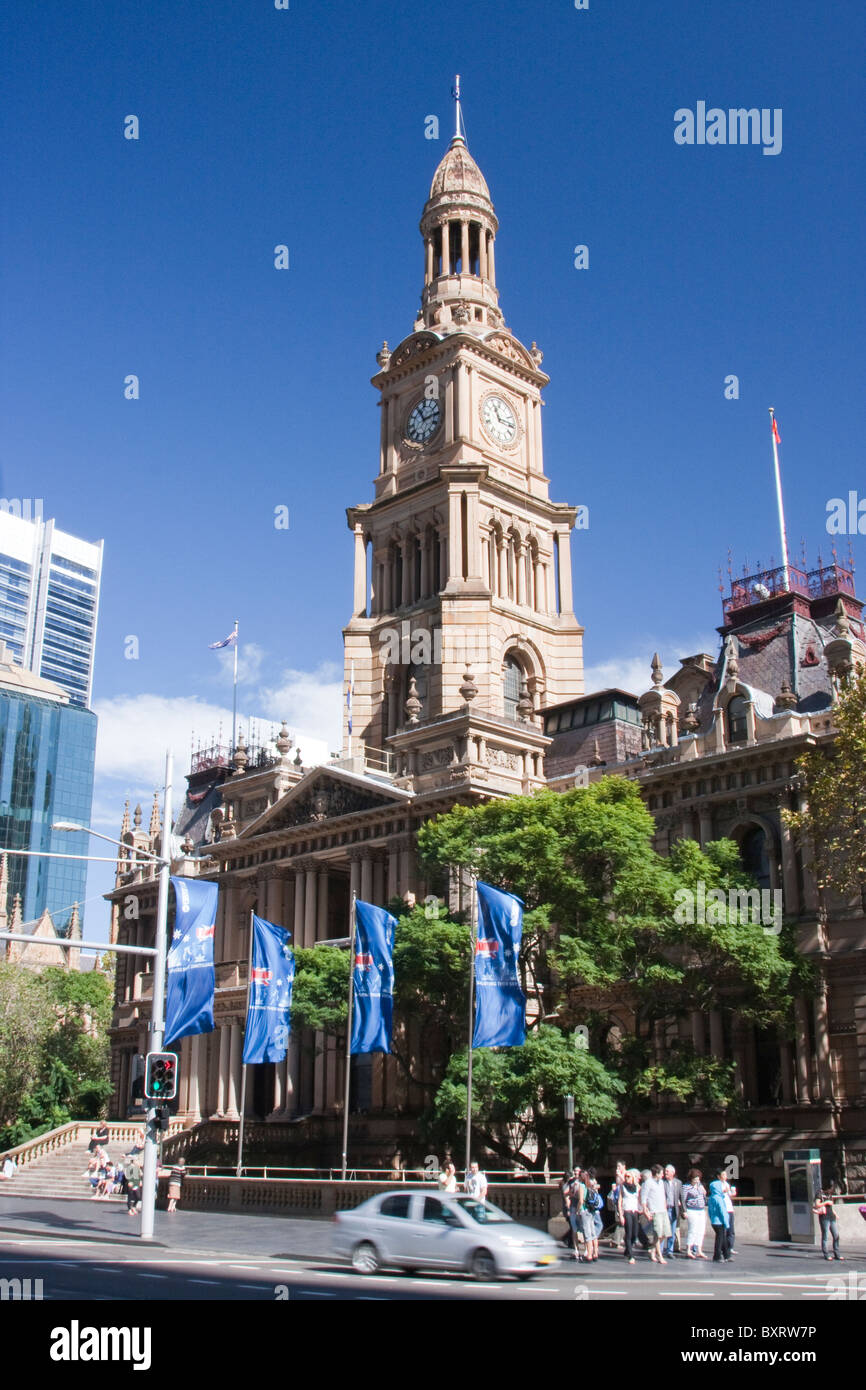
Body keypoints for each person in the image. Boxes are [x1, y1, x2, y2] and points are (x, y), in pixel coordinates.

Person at [641, 1164, 670, 1264]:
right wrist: (645, 1209)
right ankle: (659, 1255)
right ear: (657, 1173)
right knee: (658, 1233)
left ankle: (653, 1249)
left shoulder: (661, 1182)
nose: (663, 1175)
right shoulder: (648, 1183)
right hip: (655, 1211)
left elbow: (662, 1195)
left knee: (666, 1233)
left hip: (663, 1210)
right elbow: (643, 1197)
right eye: (661, 1173)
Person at [682, 1168, 708, 1259]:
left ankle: (699, 1249)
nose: (697, 1180)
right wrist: (684, 1211)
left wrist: (704, 1192)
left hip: (701, 1209)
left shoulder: (700, 1185)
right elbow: (683, 1200)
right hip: (692, 1210)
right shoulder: (686, 1187)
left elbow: (703, 1195)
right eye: (695, 1178)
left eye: (698, 1178)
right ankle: (689, 1249)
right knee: (692, 1230)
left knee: (701, 1230)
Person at [618, 1167, 642, 1264]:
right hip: (627, 1210)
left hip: (634, 1211)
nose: (627, 1178)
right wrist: (621, 1215)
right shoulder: (622, 1187)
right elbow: (620, 1201)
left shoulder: (637, 1187)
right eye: (625, 1176)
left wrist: (643, 1209)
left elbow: (640, 1198)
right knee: (629, 1232)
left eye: (628, 1176)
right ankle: (631, 1256)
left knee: (635, 1234)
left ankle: (627, 1249)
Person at [813, 1187, 843, 1261]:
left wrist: (835, 1214)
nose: (830, 1190)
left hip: (831, 1216)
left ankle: (837, 1253)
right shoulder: (819, 1194)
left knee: (836, 1235)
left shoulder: (830, 1195)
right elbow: (817, 1205)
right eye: (829, 1189)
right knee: (825, 1236)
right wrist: (826, 1202)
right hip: (824, 1217)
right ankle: (826, 1254)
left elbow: (831, 1207)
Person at [708, 1171, 732, 1262]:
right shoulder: (719, 1199)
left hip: (714, 1221)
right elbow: (722, 1211)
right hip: (720, 1221)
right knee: (720, 1239)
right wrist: (726, 1223)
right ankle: (717, 1256)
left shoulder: (711, 1198)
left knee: (722, 1238)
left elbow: (710, 1211)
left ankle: (727, 1255)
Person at [663, 1164, 684, 1257]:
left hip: (674, 1209)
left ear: (673, 1172)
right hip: (665, 1209)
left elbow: (681, 1196)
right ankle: (660, 1250)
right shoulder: (662, 1182)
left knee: (672, 1230)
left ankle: (670, 1250)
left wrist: (684, 1210)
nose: (665, 1173)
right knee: (663, 1230)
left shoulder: (678, 1183)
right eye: (665, 1171)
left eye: (667, 1171)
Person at [582, 1170, 602, 1261]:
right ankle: (595, 1253)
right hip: (593, 1210)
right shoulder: (593, 1185)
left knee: (588, 1234)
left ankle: (589, 1255)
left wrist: (579, 1209)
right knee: (593, 1233)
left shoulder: (583, 1186)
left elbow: (581, 1200)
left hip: (586, 1210)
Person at [608, 1161, 626, 1249]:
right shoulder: (618, 1176)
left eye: (619, 1166)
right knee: (620, 1220)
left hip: (624, 1200)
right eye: (617, 1166)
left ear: (624, 1166)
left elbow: (626, 1183)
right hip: (618, 1199)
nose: (617, 1168)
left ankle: (616, 1240)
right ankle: (616, 1240)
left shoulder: (625, 1174)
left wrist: (620, 1175)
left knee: (622, 1221)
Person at [722, 1176, 737, 1253]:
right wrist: (724, 1191)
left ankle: (730, 1247)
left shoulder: (727, 1184)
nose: (725, 1177)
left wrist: (732, 1192)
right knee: (724, 1229)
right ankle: (723, 1247)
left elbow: (730, 1194)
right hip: (724, 1209)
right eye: (723, 1175)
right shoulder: (718, 1184)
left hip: (730, 1208)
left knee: (731, 1229)